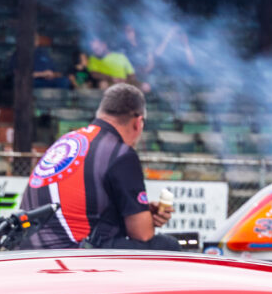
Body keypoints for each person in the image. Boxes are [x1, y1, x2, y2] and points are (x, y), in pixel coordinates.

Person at [19, 83, 176, 250]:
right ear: (138, 123)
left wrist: (141, 212)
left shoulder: (68, 139)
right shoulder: (121, 153)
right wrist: (146, 221)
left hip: (26, 249)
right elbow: (143, 234)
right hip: (69, 254)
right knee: (167, 246)